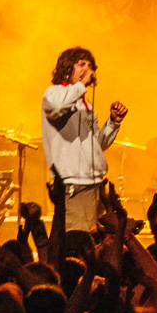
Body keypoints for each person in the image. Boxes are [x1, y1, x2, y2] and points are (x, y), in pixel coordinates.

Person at [41, 46, 127, 230]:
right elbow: (58, 106)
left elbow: (96, 145)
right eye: (81, 64)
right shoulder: (53, 93)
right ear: (67, 68)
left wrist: (113, 123)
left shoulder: (86, 105)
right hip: (73, 184)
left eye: (91, 66)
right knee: (78, 239)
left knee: (95, 242)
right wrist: (80, 86)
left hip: (93, 183)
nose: (88, 70)